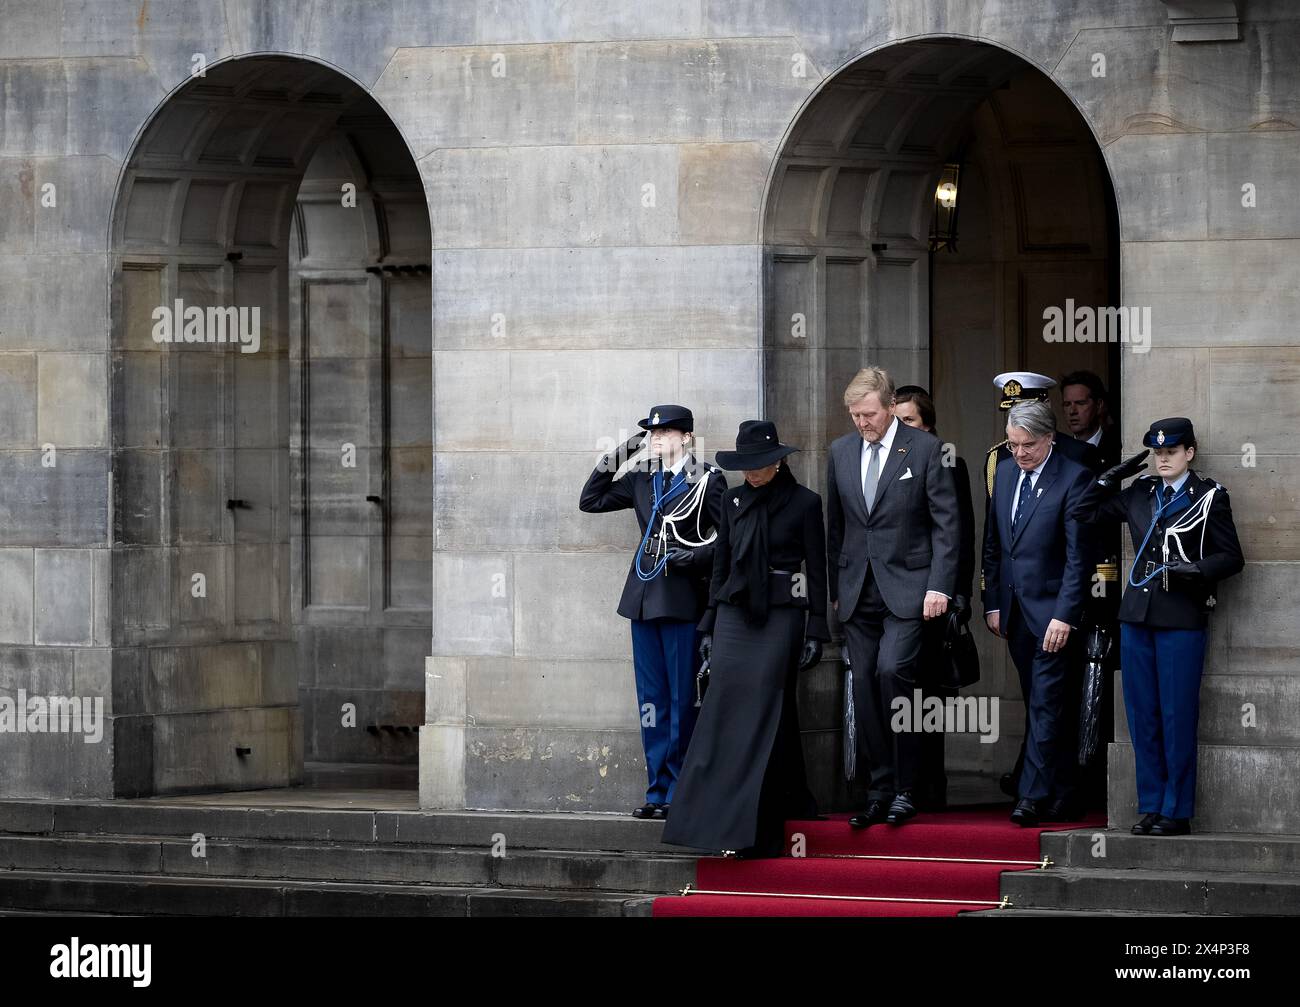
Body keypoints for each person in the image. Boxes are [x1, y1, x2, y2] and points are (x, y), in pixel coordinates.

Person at [661, 420, 830, 858]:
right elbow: (721, 563)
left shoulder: (805, 503)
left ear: (778, 461)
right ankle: (713, 825)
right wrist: (709, 625)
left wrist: (816, 627)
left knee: (761, 712)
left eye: (760, 465)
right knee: (724, 712)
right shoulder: (733, 499)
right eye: (746, 466)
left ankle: (756, 830)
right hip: (735, 614)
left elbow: (818, 569)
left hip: (781, 616)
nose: (752, 473)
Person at [1072, 418, 1244, 836]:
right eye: (1157, 452)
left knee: (1176, 714)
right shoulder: (1141, 492)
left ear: (1189, 453)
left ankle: (1176, 809)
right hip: (1136, 616)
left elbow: (1232, 556)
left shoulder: (1208, 497)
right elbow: (1083, 512)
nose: (1163, 458)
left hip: (1180, 617)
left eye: (1171, 451)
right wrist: (1111, 476)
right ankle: (1151, 805)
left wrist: (1197, 571)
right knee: (1142, 715)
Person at [826, 367, 959, 829]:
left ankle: (907, 787)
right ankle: (879, 789)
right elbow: (837, 527)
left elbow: (947, 524)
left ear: (887, 405)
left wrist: (940, 585)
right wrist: (834, 593)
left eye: (868, 414)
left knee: (892, 672)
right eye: (854, 415)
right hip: (856, 589)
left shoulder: (927, 449)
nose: (861, 422)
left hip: (910, 589)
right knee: (862, 686)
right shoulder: (840, 452)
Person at [579, 405, 725, 819]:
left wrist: (693, 560)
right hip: (643, 597)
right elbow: (590, 500)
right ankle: (657, 790)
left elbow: (725, 542)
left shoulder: (706, 479)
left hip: (681, 599)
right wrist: (625, 451)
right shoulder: (642, 480)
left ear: (686, 437)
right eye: (651, 433)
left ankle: (681, 791)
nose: (656, 439)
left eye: (664, 433)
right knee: (652, 701)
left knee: (682, 700)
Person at [982, 371, 1097, 799]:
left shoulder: (1073, 477)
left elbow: (1077, 558)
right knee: (1038, 700)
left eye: (1028, 445)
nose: (1020, 452)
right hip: (1014, 612)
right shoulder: (1006, 472)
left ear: (1049, 438)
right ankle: (1059, 792)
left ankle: (1031, 796)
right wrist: (992, 601)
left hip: (1052, 612)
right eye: (1014, 444)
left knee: (1048, 700)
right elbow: (994, 544)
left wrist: (1064, 615)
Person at [893, 385, 976, 810]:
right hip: (896, 596)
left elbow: (960, 533)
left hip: (936, 598)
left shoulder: (948, 461)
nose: (901, 428)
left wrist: (958, 595)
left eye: (909, 420)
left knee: (933, 693)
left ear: (927, 424)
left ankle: (930, 785)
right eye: (897, 420)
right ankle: (902, 785)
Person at [1061, 369, 1120, 471]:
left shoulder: (1118, 448)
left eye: (1080, 403)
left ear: (1099, 405)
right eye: (1067, 404)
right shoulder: (1059, 452)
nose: (1072, 411)